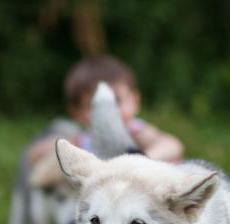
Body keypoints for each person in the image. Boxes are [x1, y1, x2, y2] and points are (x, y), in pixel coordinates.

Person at [26, 55, 184, 166]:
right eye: (94, 105)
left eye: (117, 101)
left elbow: (172, 145)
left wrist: (143, 159)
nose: (110, 112)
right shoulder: (84, 140)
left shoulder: (134, 131)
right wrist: (62, 146)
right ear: (77, 113)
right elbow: (33, 155)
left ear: (135, 101)